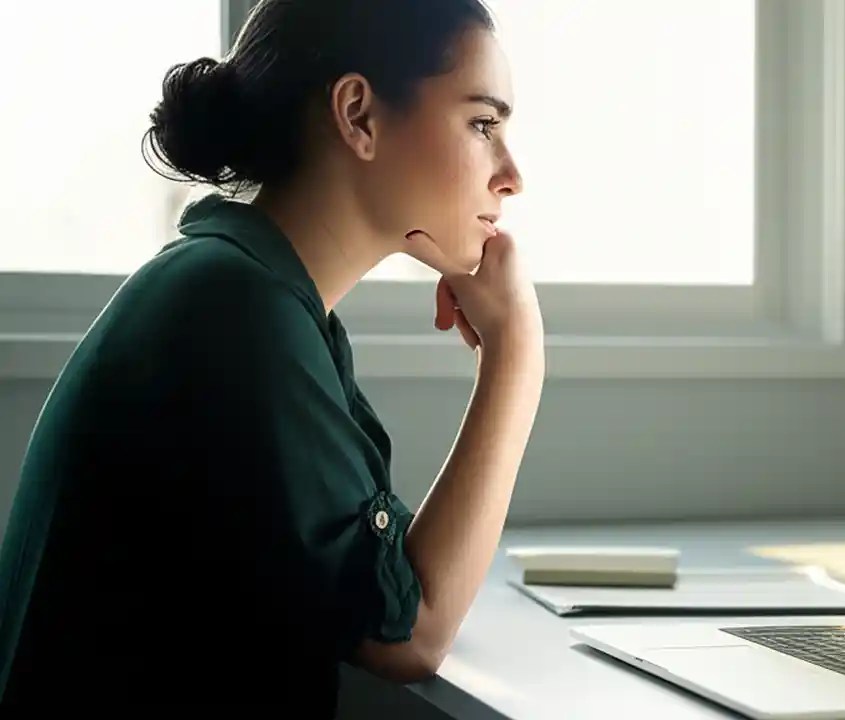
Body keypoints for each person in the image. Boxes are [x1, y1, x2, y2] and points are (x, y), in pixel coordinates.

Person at [0, 0, 543, 712]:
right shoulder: (237, 313)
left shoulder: (253, 295)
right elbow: (410, 632)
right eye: (482, 124)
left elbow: (389, 591)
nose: (511, 175)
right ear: (358, 115)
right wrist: (517, 358)